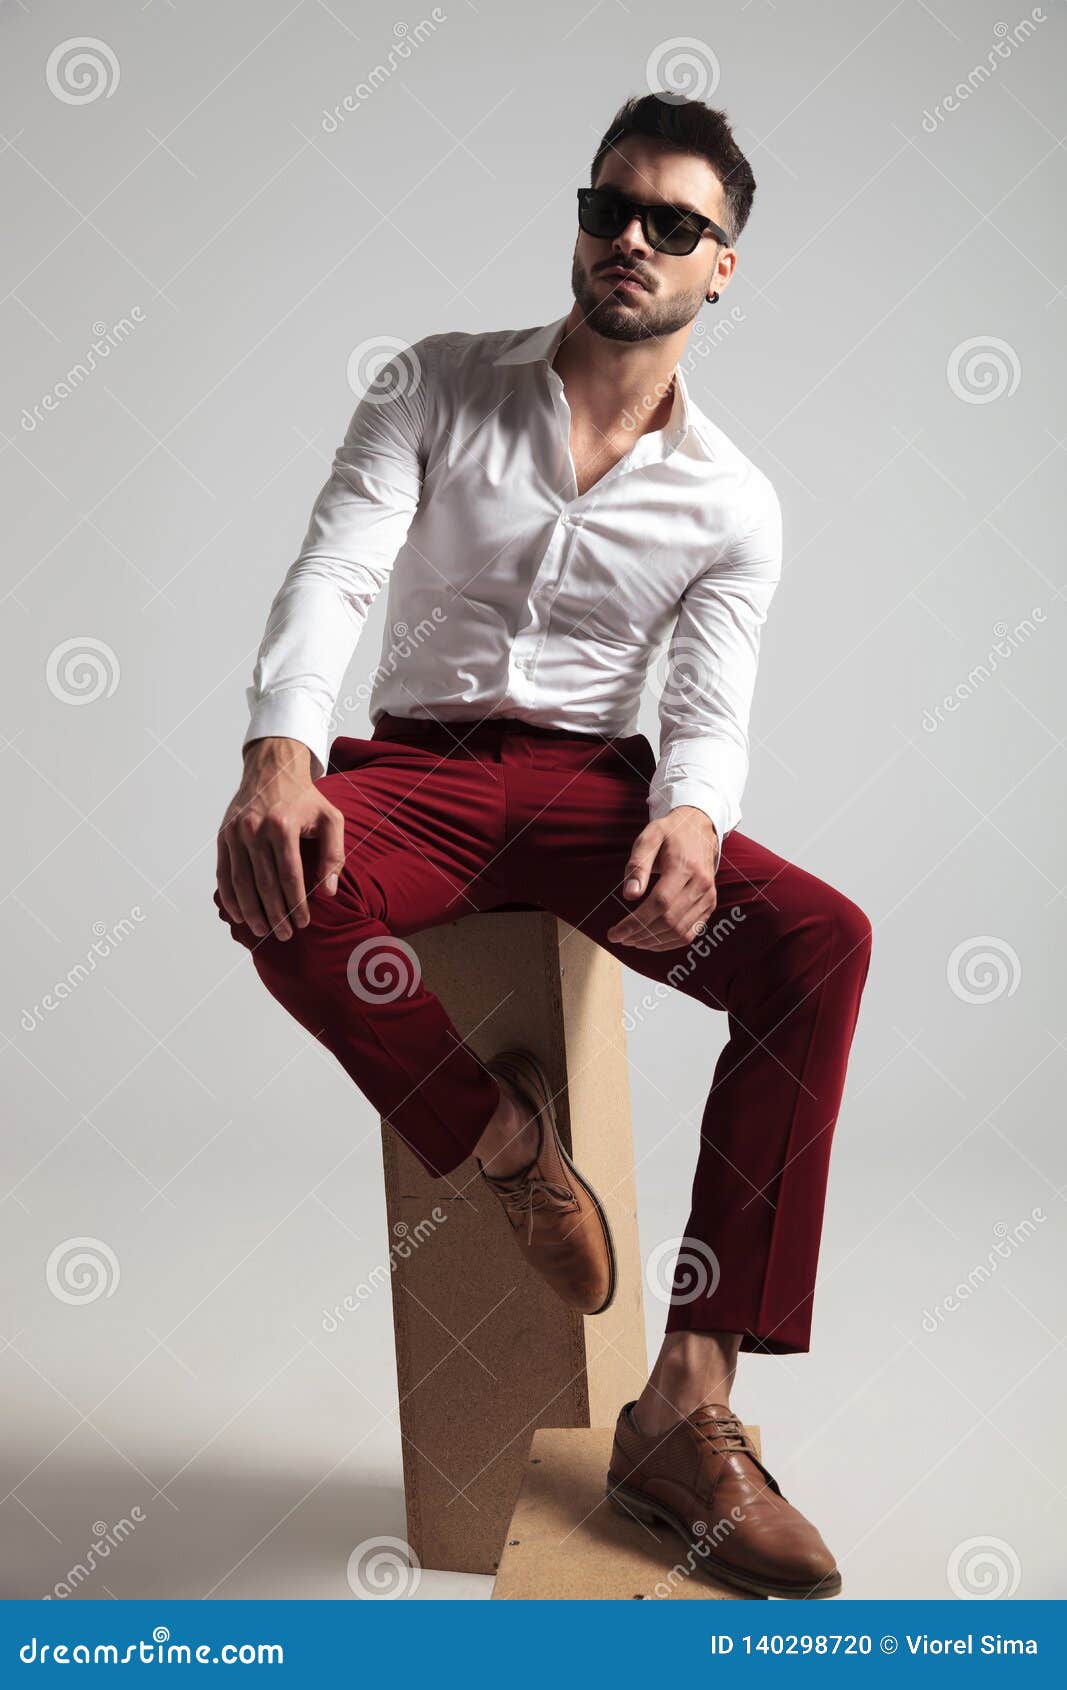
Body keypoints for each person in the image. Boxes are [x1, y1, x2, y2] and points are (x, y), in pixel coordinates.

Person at [213, 92, 872, 1600]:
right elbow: (337, 563)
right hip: (422, 780)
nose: (630, 238)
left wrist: (695, 812)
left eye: (674, 224)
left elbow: (711, 699)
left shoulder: (734, 498)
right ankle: (507, 1145)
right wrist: (279, 750)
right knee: (273, 884)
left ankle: (684, 1401)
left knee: (820, 943)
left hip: (593, 806)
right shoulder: (435, 383)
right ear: (580, 222)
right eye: (608, 207)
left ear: (724, 268)